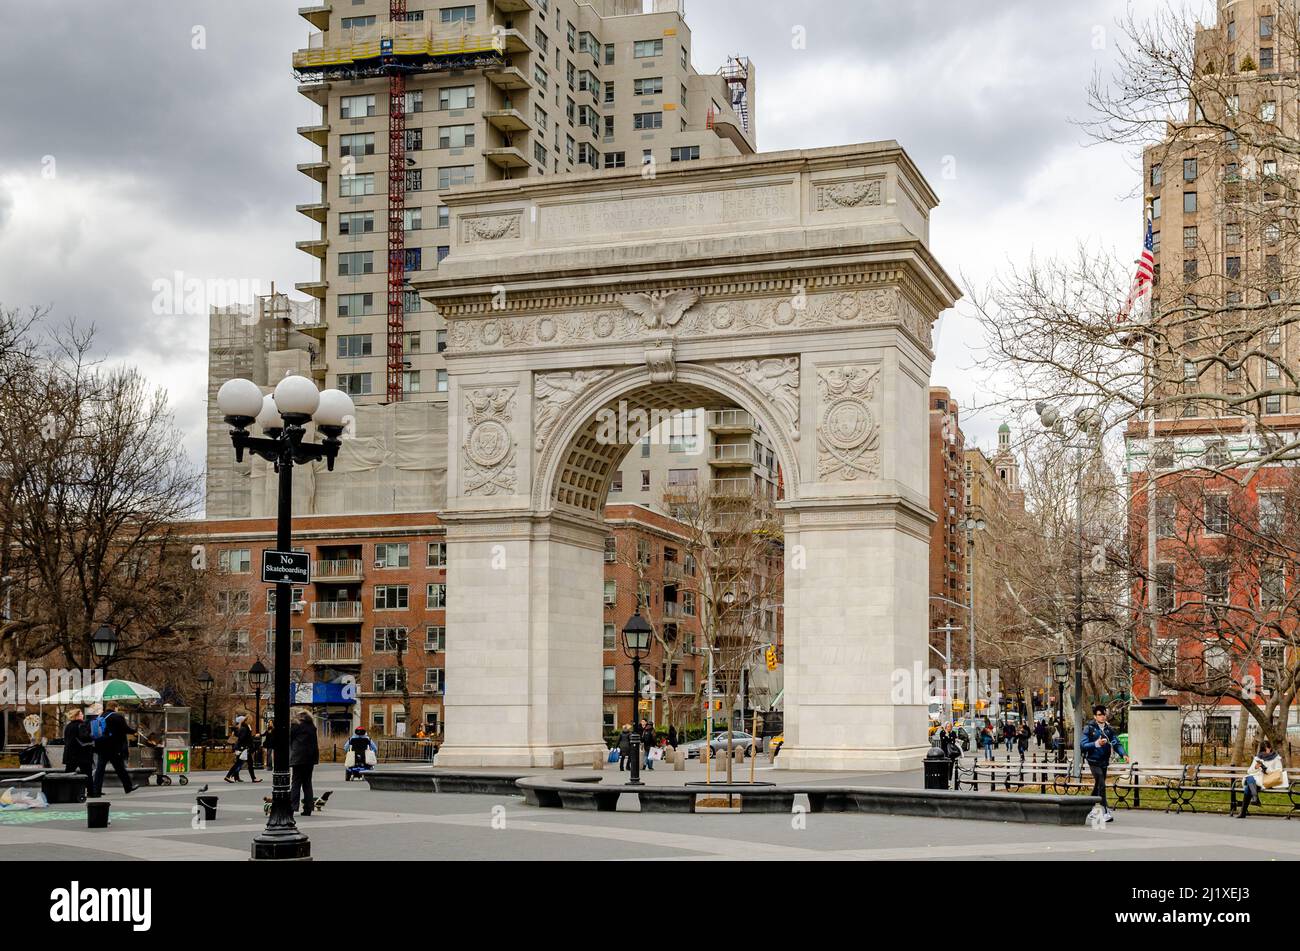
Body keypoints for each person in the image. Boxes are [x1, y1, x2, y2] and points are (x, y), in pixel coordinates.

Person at [1080, 704, 1126, 821]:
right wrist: (1096, 744)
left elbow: (1116, 742)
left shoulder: (1108, 729)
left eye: (1104, 714)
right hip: (1093, 760)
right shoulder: (1089, 728)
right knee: (1101, 784)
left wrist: (1123, 754)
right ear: (1095, 716)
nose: (1102, 717)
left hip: (1104, 761)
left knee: (1098, 786)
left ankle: (1088, 810)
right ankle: (1104, 811)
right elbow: (1083, 745)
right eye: (1100, 715)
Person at [90, 701, 138, 797]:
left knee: (100, 769)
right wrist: (134, 732)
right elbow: (125, 728)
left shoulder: (100, 716)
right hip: (113, 747)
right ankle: (128, 786)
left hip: (101, 746)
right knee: (120, 768)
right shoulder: (117, 716)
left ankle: (96, 790)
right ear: (115, 707)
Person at [1235, 740, 1285, 818]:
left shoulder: (1276, 758)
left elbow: (1279, 771)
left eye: (1267, 749)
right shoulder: (1258, 758)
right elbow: (1249, 771)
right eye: (1263, 750)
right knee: (1249, 778)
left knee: (1248, 787)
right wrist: (1256, 767)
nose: (1266, 751)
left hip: (1268, 780)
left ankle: (1244, 811)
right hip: (1256, 779)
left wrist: (1266, 769)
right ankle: (1255, 798)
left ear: (1270, 748)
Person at [289, 712, 319, 816]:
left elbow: (289, 738)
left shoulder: (296, 726)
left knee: (296, 782)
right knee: (307, 783)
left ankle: (293, 806)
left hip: (298, 756)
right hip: (310, 757)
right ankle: (308, 808)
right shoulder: (312, 726)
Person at [224, 715, 261, 783]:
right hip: (244, 749)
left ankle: (253, 778)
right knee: (239, 763)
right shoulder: (244, 728)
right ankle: (228, 776)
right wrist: (250, 740)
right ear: (247, 720)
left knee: (249, 763)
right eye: (250, 719)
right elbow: (242, 738)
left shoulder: (245, 727)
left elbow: (243, 737)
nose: (251, 721)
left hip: (245, 748)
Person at [62, 709, 94, 786]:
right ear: (76, 716)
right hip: (82, 754)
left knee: (68, 773)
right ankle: (91, 791)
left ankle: (64, 790)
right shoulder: (81, 725)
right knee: (87, 773)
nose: (82, 715)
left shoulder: (68, 726)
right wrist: (92, 736)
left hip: (70, 753)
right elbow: (84, 738)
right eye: (81, 714)